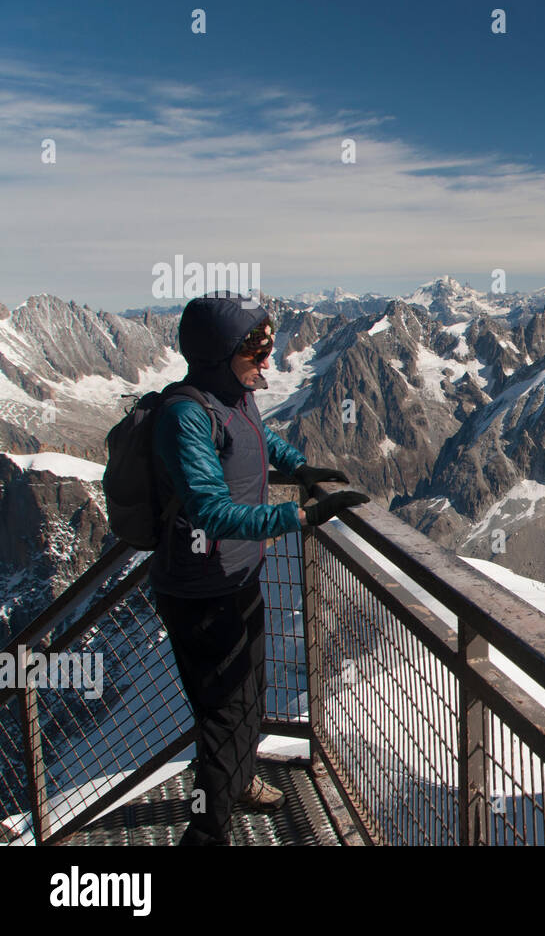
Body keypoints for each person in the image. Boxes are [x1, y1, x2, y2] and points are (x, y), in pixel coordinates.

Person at [149, 291, 369, 846]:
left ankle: (238, 780)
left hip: (238, 578)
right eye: (256, 349)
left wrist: (297, 464)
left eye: (269, 347)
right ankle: (206, 833)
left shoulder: (232, 393)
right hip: (201, 591)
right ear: (219, 352)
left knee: (249, 694)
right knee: (226, 713)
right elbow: (210, 511)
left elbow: (256, 437)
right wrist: (301, 514)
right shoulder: (186, 415)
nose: (267, 360)